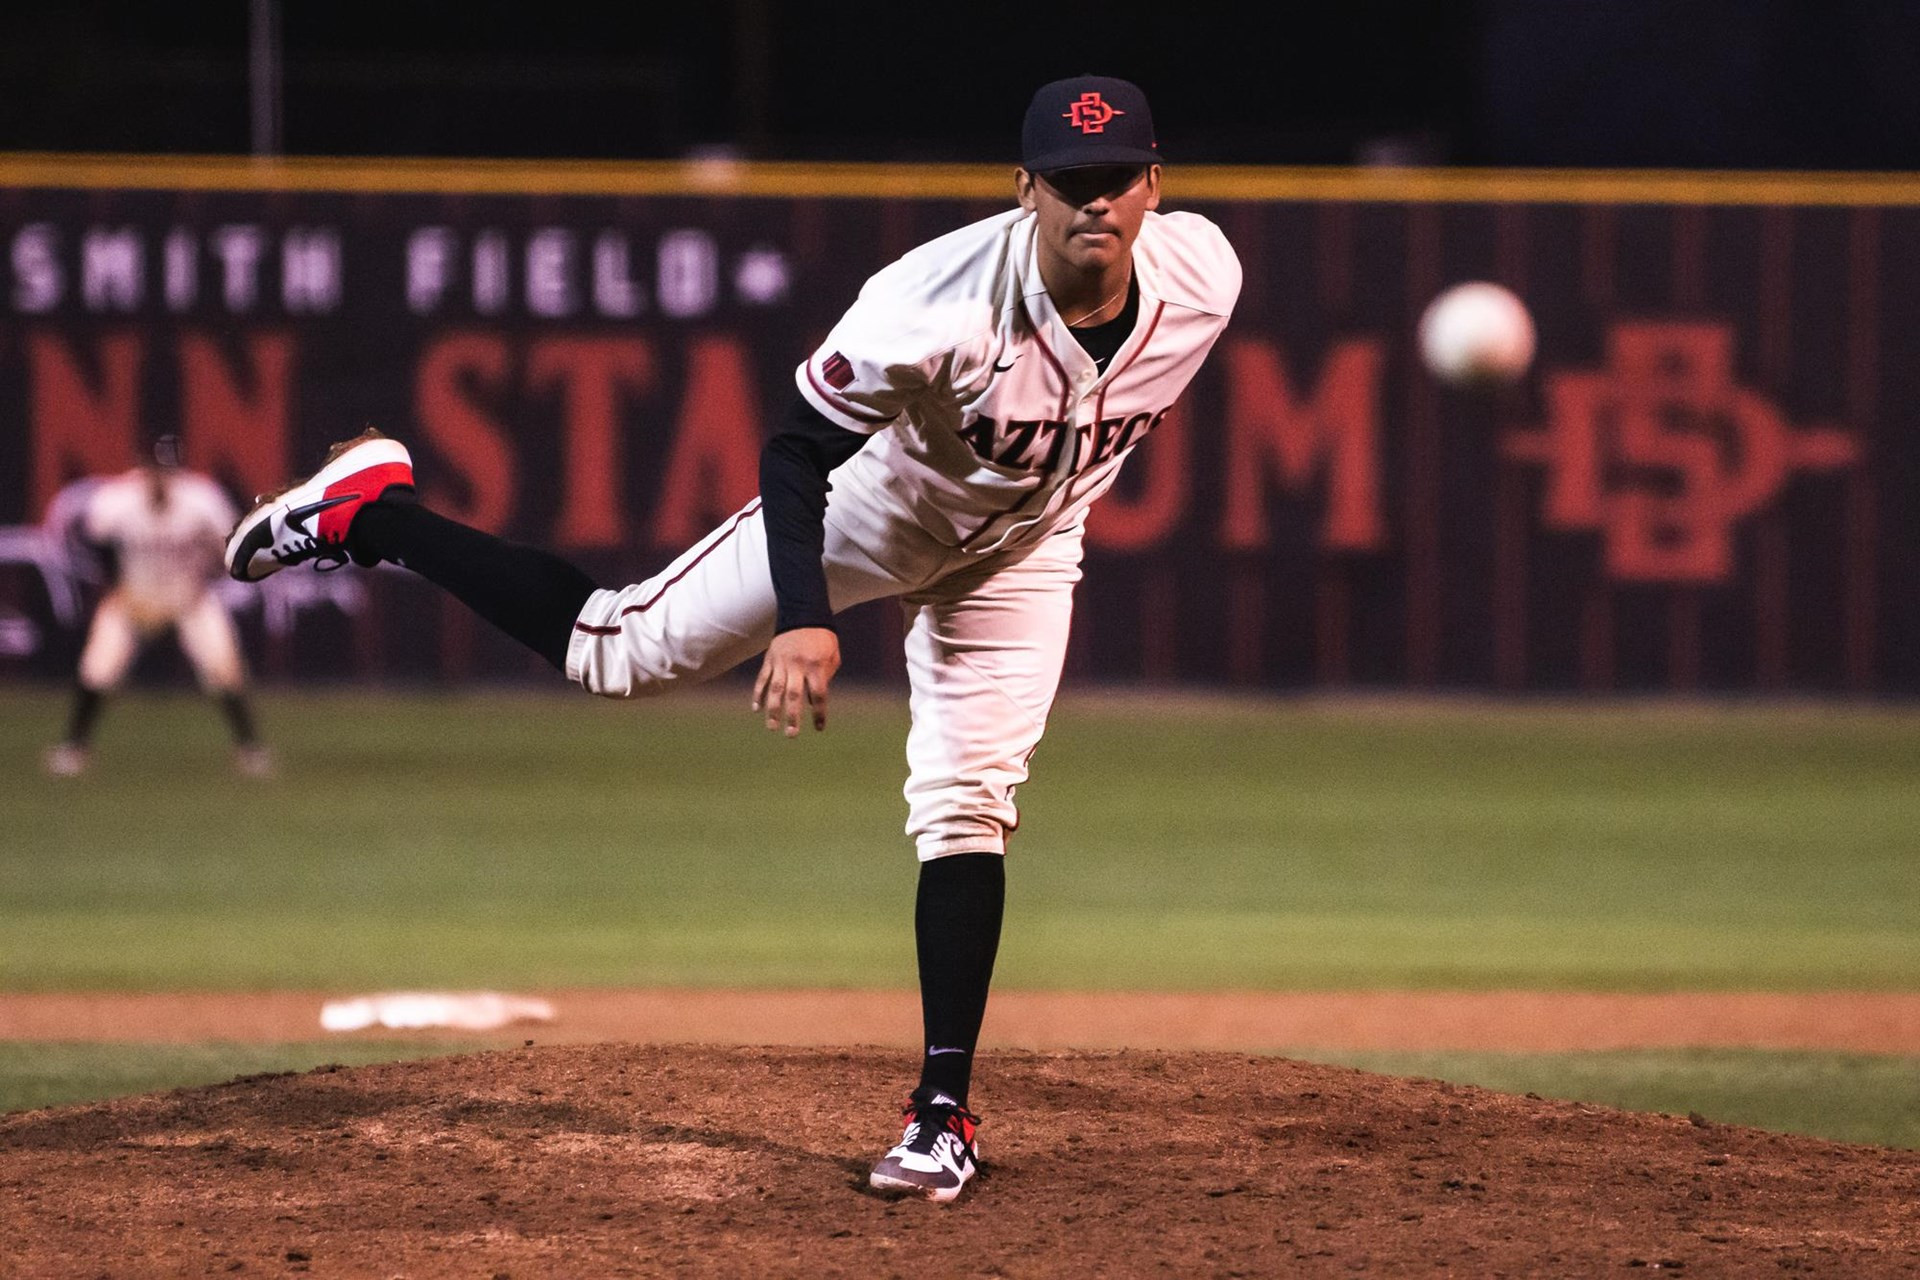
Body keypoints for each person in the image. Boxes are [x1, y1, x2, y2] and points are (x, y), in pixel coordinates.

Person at [225, 74, 1239, 1202]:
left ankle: (939, 1116)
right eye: (1070, 180)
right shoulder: (936, 300)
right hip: (879, 505)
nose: (1094, 203)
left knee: (969, 799)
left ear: (1156, 184)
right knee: (617, 650)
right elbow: (797, 450)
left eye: (1117, 179)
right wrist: (806, 615)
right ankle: (370, 512)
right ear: (1026, 188)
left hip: (1027, 549)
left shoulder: (1205, 275)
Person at [46, 435, 272, 778]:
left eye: (167, 470)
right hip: (133, 599)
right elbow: (97, 546)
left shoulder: (201, 500)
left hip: (189, 599)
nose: (160, 477)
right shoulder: (117, 499)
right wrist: (119, 589)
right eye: (154, 469)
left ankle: (250, 749)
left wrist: (203, 579)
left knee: (224, 667)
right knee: (98, 667)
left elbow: (228, 548)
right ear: (143, 467)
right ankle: (73, 749)